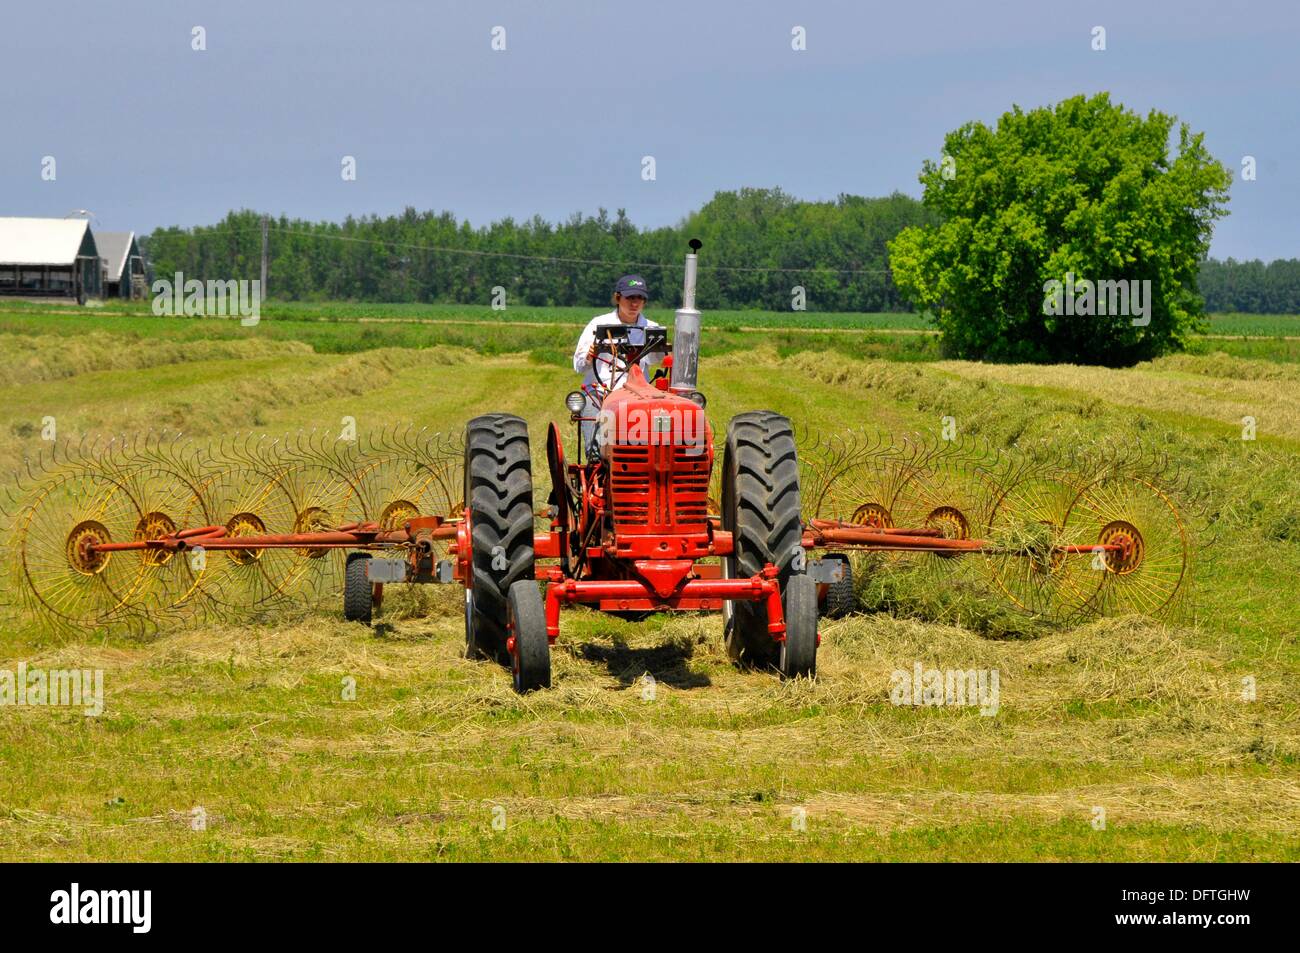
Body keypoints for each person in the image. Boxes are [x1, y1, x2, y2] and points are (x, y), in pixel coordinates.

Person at [572, 274, 666, 453]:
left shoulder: (651, 328)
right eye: (630, 297)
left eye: (640, 298)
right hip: (601, 394)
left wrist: (665, 350)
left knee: (657, 439)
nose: (635, 303)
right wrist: (589, 356)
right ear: (617, 298)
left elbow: (657, 360)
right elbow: (578, 365)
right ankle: (598, 468)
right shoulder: (598, 324)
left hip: (639, 397)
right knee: (598, 449)